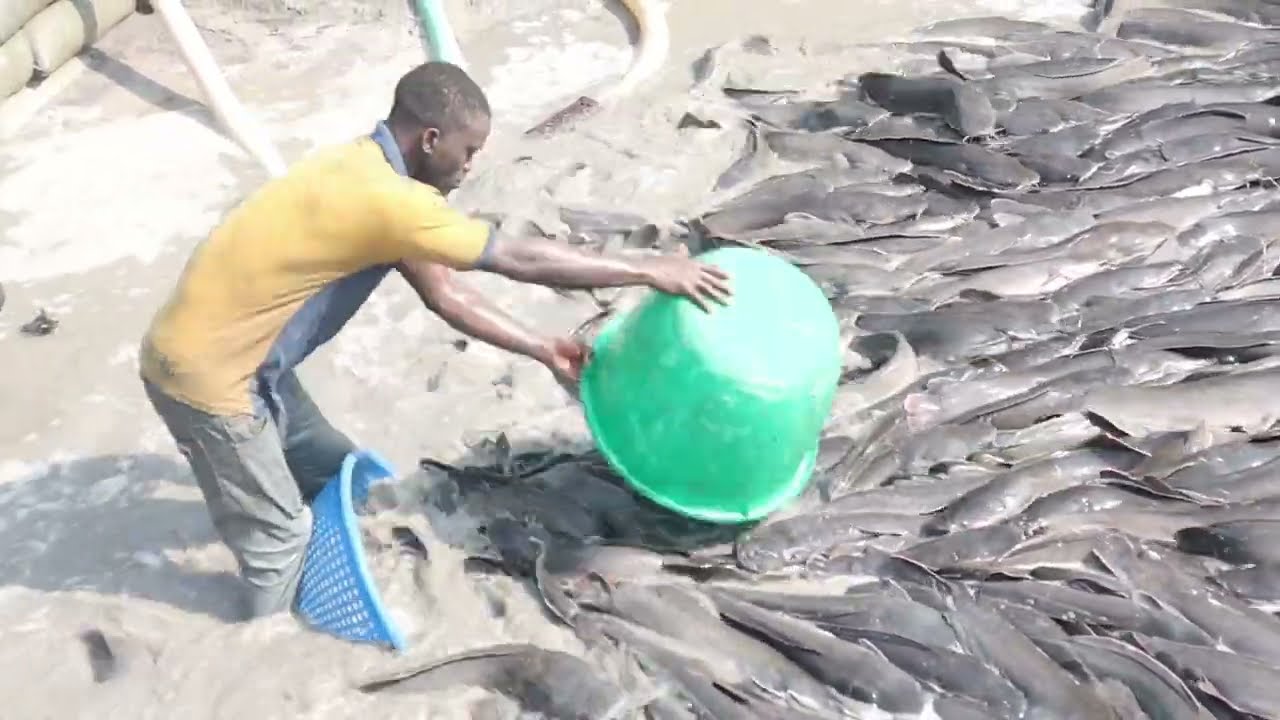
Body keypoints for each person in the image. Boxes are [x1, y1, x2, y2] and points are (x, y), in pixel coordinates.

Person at [138, 61, 732, 619]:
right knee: (278, 544)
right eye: (468, 151)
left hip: (251, 353)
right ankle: (262, 645)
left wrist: (543, 348)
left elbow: (448, 296)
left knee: (340, 471)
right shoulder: (389, 202)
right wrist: (649, 267)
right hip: (209, 379)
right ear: (430, 139)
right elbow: (517, 256)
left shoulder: (361, 167)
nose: (469, 166)